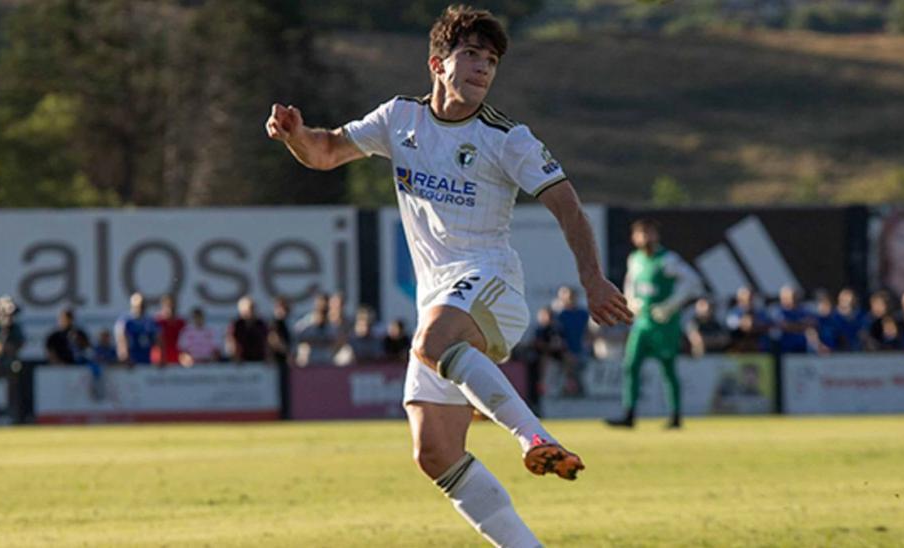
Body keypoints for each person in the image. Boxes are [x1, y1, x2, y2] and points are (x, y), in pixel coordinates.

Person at [265, 6, 633, 545]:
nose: (483, 69)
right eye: (471, 56)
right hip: (439, 299)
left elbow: (568, 205)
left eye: (491, 61)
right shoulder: (399, 119)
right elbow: (324, 152)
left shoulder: (508, 138)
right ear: (437, 63)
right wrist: (295, 135)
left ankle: (534, 437)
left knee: (434, 339)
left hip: (492, 284)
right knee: (434, 452)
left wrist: (593, 279)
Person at [607, 218, 701, 430]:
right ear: (634, 238)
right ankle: (629, 414)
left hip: (664, 323)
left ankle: (676, 416)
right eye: (641, 233)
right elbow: (630, 285)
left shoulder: (668, 259)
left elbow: (693, 282)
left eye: (649, 233)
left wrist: (671, 304)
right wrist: (631, 303)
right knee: (631, 365)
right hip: (642, 323)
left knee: (668, 368)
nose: (645, 238)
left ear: (656, 236)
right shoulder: (635, 259)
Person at [294, 294, 338, 366]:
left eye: (325, 307)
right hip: (307, 362)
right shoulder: (305, 322)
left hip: (325, 362)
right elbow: (297, 338)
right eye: (320, 305)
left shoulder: (332, 325)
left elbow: (334, 341)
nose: (322, 307)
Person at [115, 292, 158, 365]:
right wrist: (125, 357)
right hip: (132, 360)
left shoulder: (150, 321)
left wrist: (160, 358)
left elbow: (158, 340)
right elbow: (121, 340)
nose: (141, 308)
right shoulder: (126, 321)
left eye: (143, 306)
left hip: (147, 358)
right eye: (139, 306)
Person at [228, 296, 269, 363]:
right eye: (250, 308)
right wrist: (235, 356)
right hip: (242, 362)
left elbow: (266, 341)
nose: (252, 311)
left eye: (253, 308)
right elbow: (231, 341)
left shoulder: (261, 324)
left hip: (259, 360)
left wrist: (268, 357)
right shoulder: (237, 325)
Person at [154, 294, 186, 366]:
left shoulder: (181, 322)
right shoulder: (157, 321)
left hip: (177, 357)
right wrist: (160, 357)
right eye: (168, 305)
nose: (171, 308)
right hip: (160, 358)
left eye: (173, 306)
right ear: (163, 306)